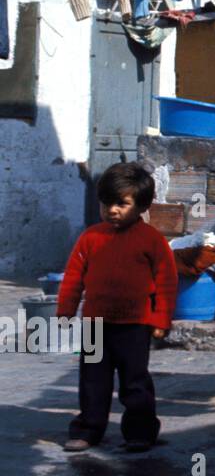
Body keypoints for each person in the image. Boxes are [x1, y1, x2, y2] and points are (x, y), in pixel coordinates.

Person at [56, 162, 178, 453]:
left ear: (141, 206)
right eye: (107, 203)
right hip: (95, 326)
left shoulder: (152, 240)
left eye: (122, 204)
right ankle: (88, 430)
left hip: (135, 325)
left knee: (135, 384)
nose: (112, 210)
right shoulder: (90, 238)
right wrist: (65, 312)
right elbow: (73, 278)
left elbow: (166, 281)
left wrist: (161, 319)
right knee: (92, 382)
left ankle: (140, 432)